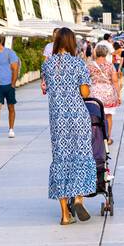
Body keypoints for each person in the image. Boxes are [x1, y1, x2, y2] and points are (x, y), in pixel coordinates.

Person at [42, 28, 96, 225]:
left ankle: (65, 214)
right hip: (78, 117)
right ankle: (79, 198)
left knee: (61, 160)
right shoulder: (78, 63)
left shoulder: (47, 65)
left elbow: (46, 88)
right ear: (72, 42)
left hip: (58, 120)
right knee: (81, 156)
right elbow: (84, 92)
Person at [87, 42, 121, 145]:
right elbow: (115, 81)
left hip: (94, 94)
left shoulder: (89, 65)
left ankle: (96, 138)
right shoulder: (110, 65)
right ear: (106, 53)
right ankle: (107, 138)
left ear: (96, 53)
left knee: (95, 117)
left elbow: (85, 80)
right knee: (108, 116)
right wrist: (118, 95)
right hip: (108, 93)